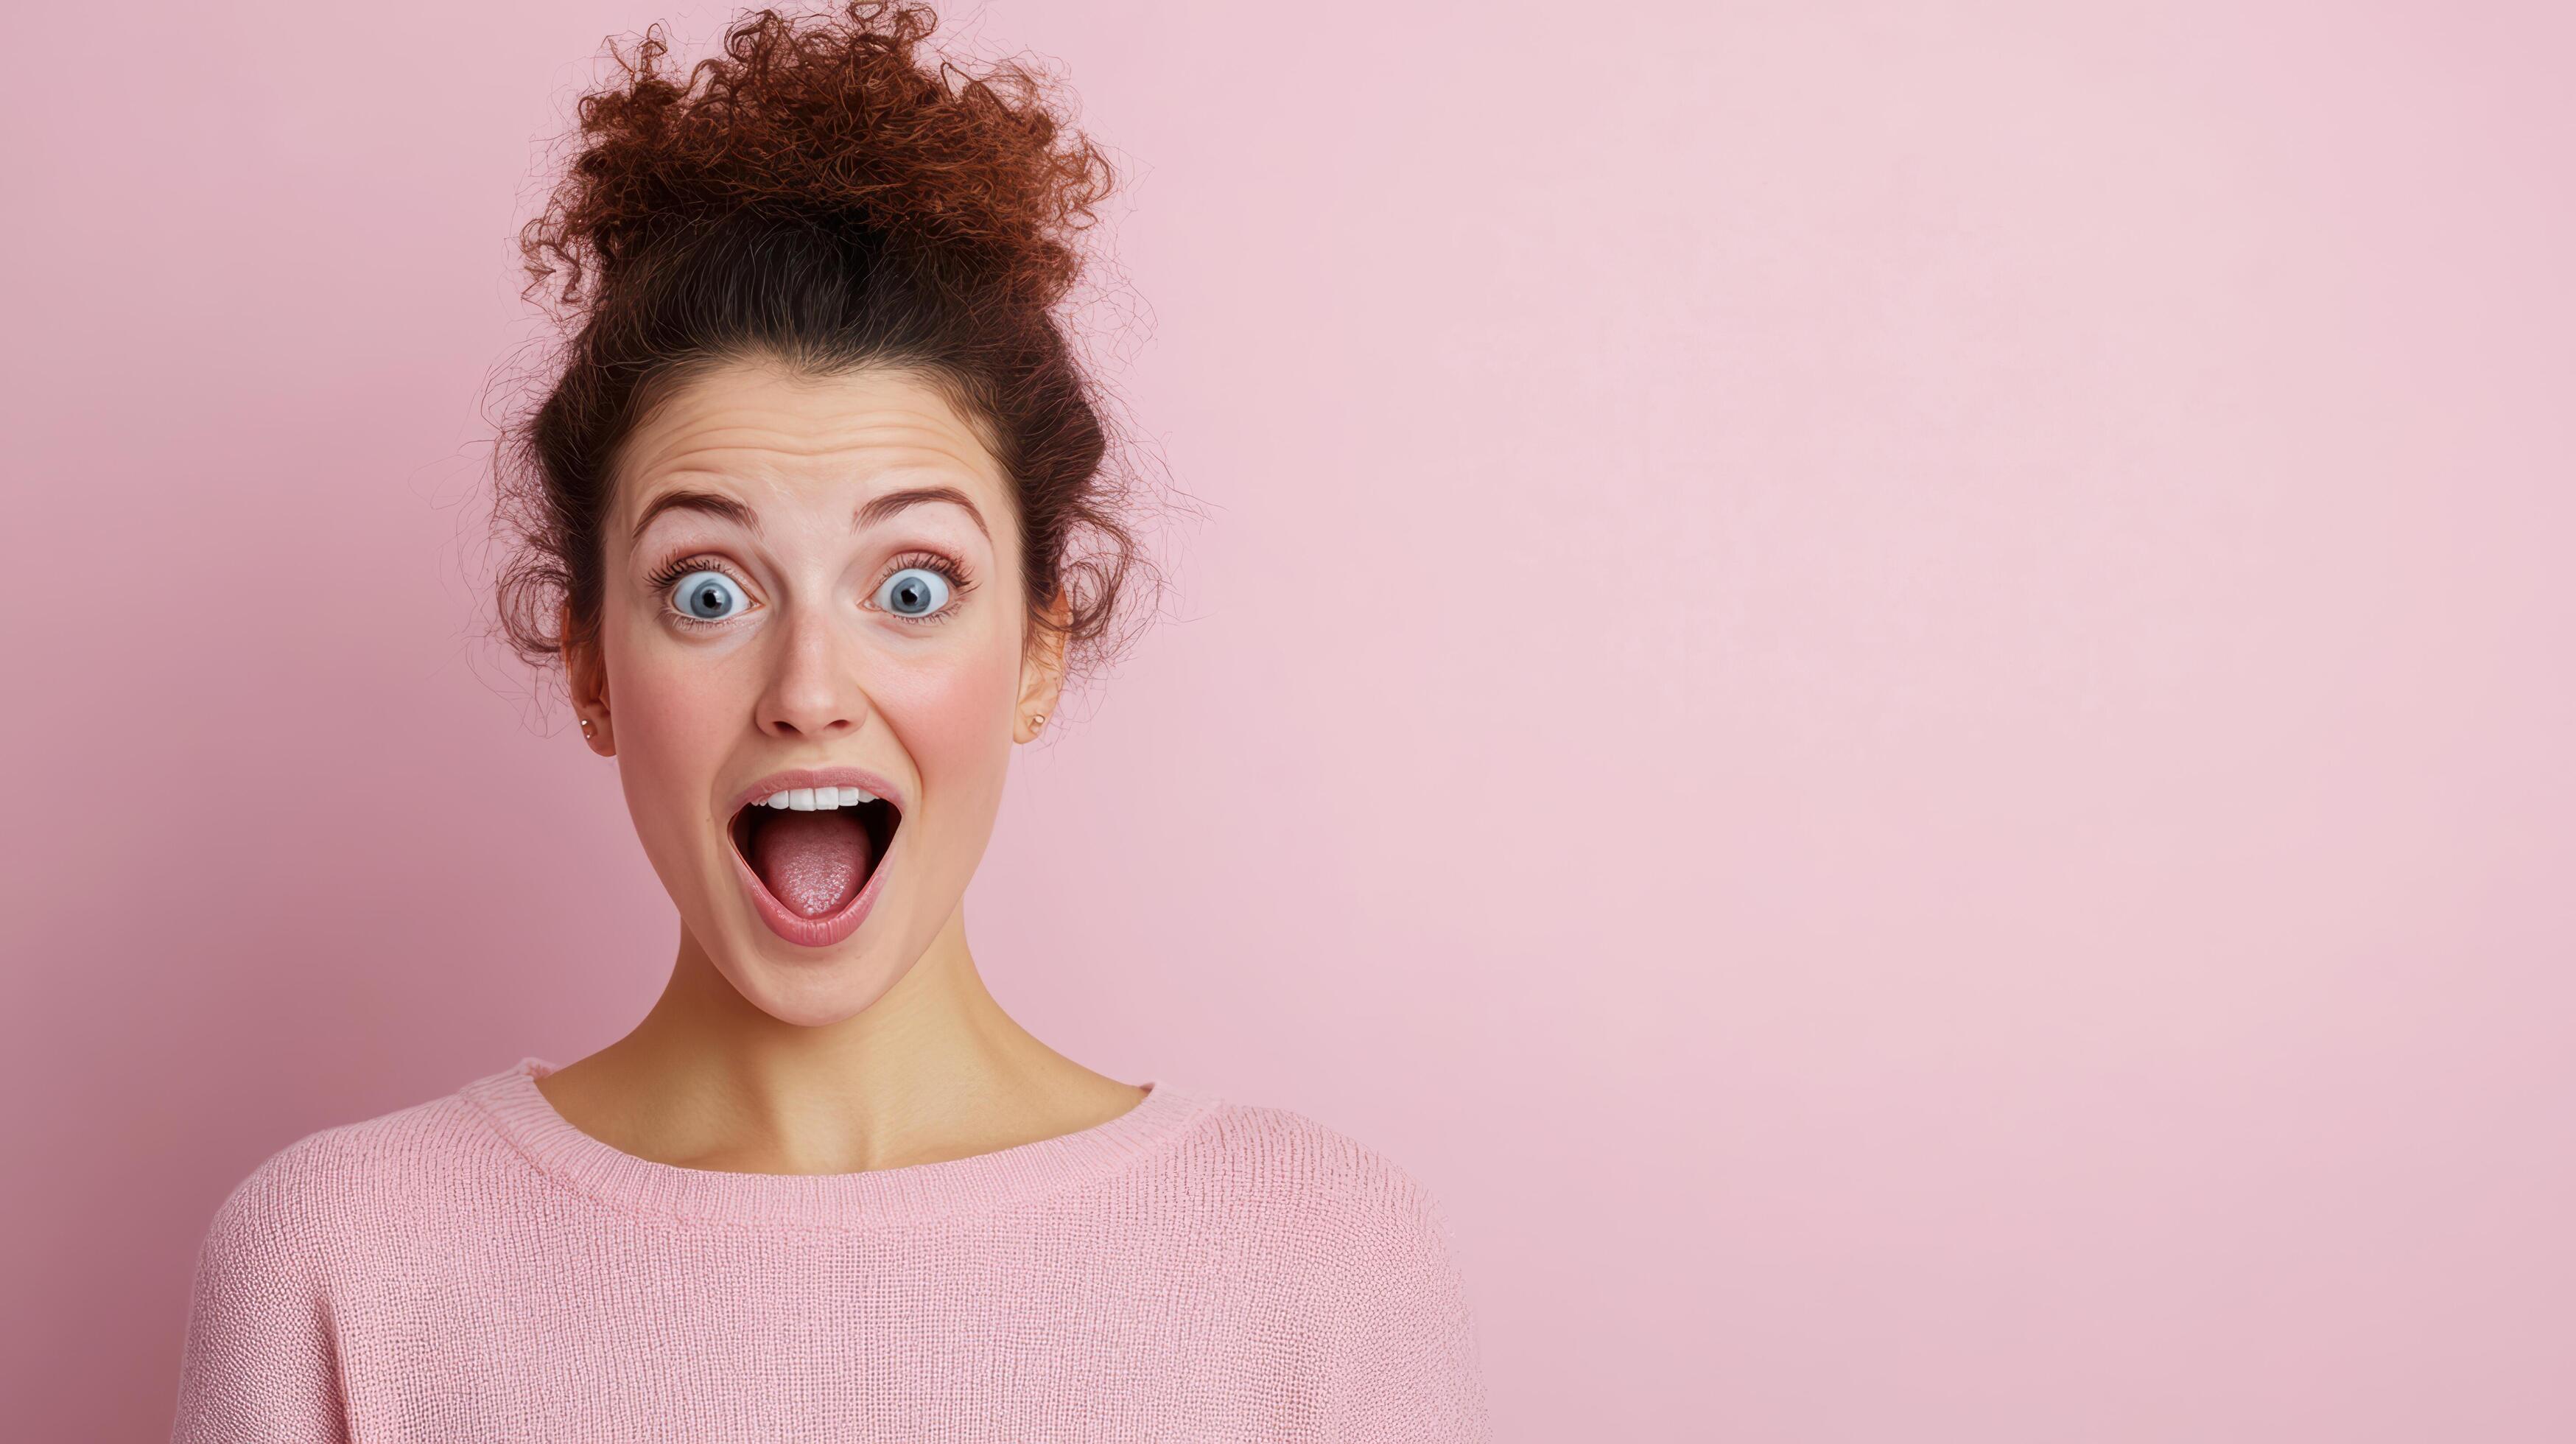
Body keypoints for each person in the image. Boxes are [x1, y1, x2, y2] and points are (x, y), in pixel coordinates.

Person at [166, 3, 1492, 1439]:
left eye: (911, 585)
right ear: (592, 663)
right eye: (710, 589)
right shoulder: (341, 1267)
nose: (808, 687)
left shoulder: (1318, 1264)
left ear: (1040, 648)